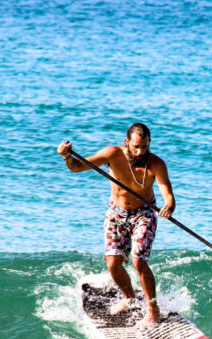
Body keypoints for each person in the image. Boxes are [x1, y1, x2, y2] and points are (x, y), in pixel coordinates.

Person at [57, 123, 176, 327]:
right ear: (126, 142)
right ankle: (129, 298)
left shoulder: (156, 164)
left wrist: (169, 206)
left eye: (145, 147)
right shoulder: (112, 154)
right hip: (116, 213)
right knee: (112, 262)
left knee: (139, 260)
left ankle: (153, 309)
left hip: (144, 213)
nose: (140, 152)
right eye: (136, 147)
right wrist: (67, 157)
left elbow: (168, 194)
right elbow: (77, 167)